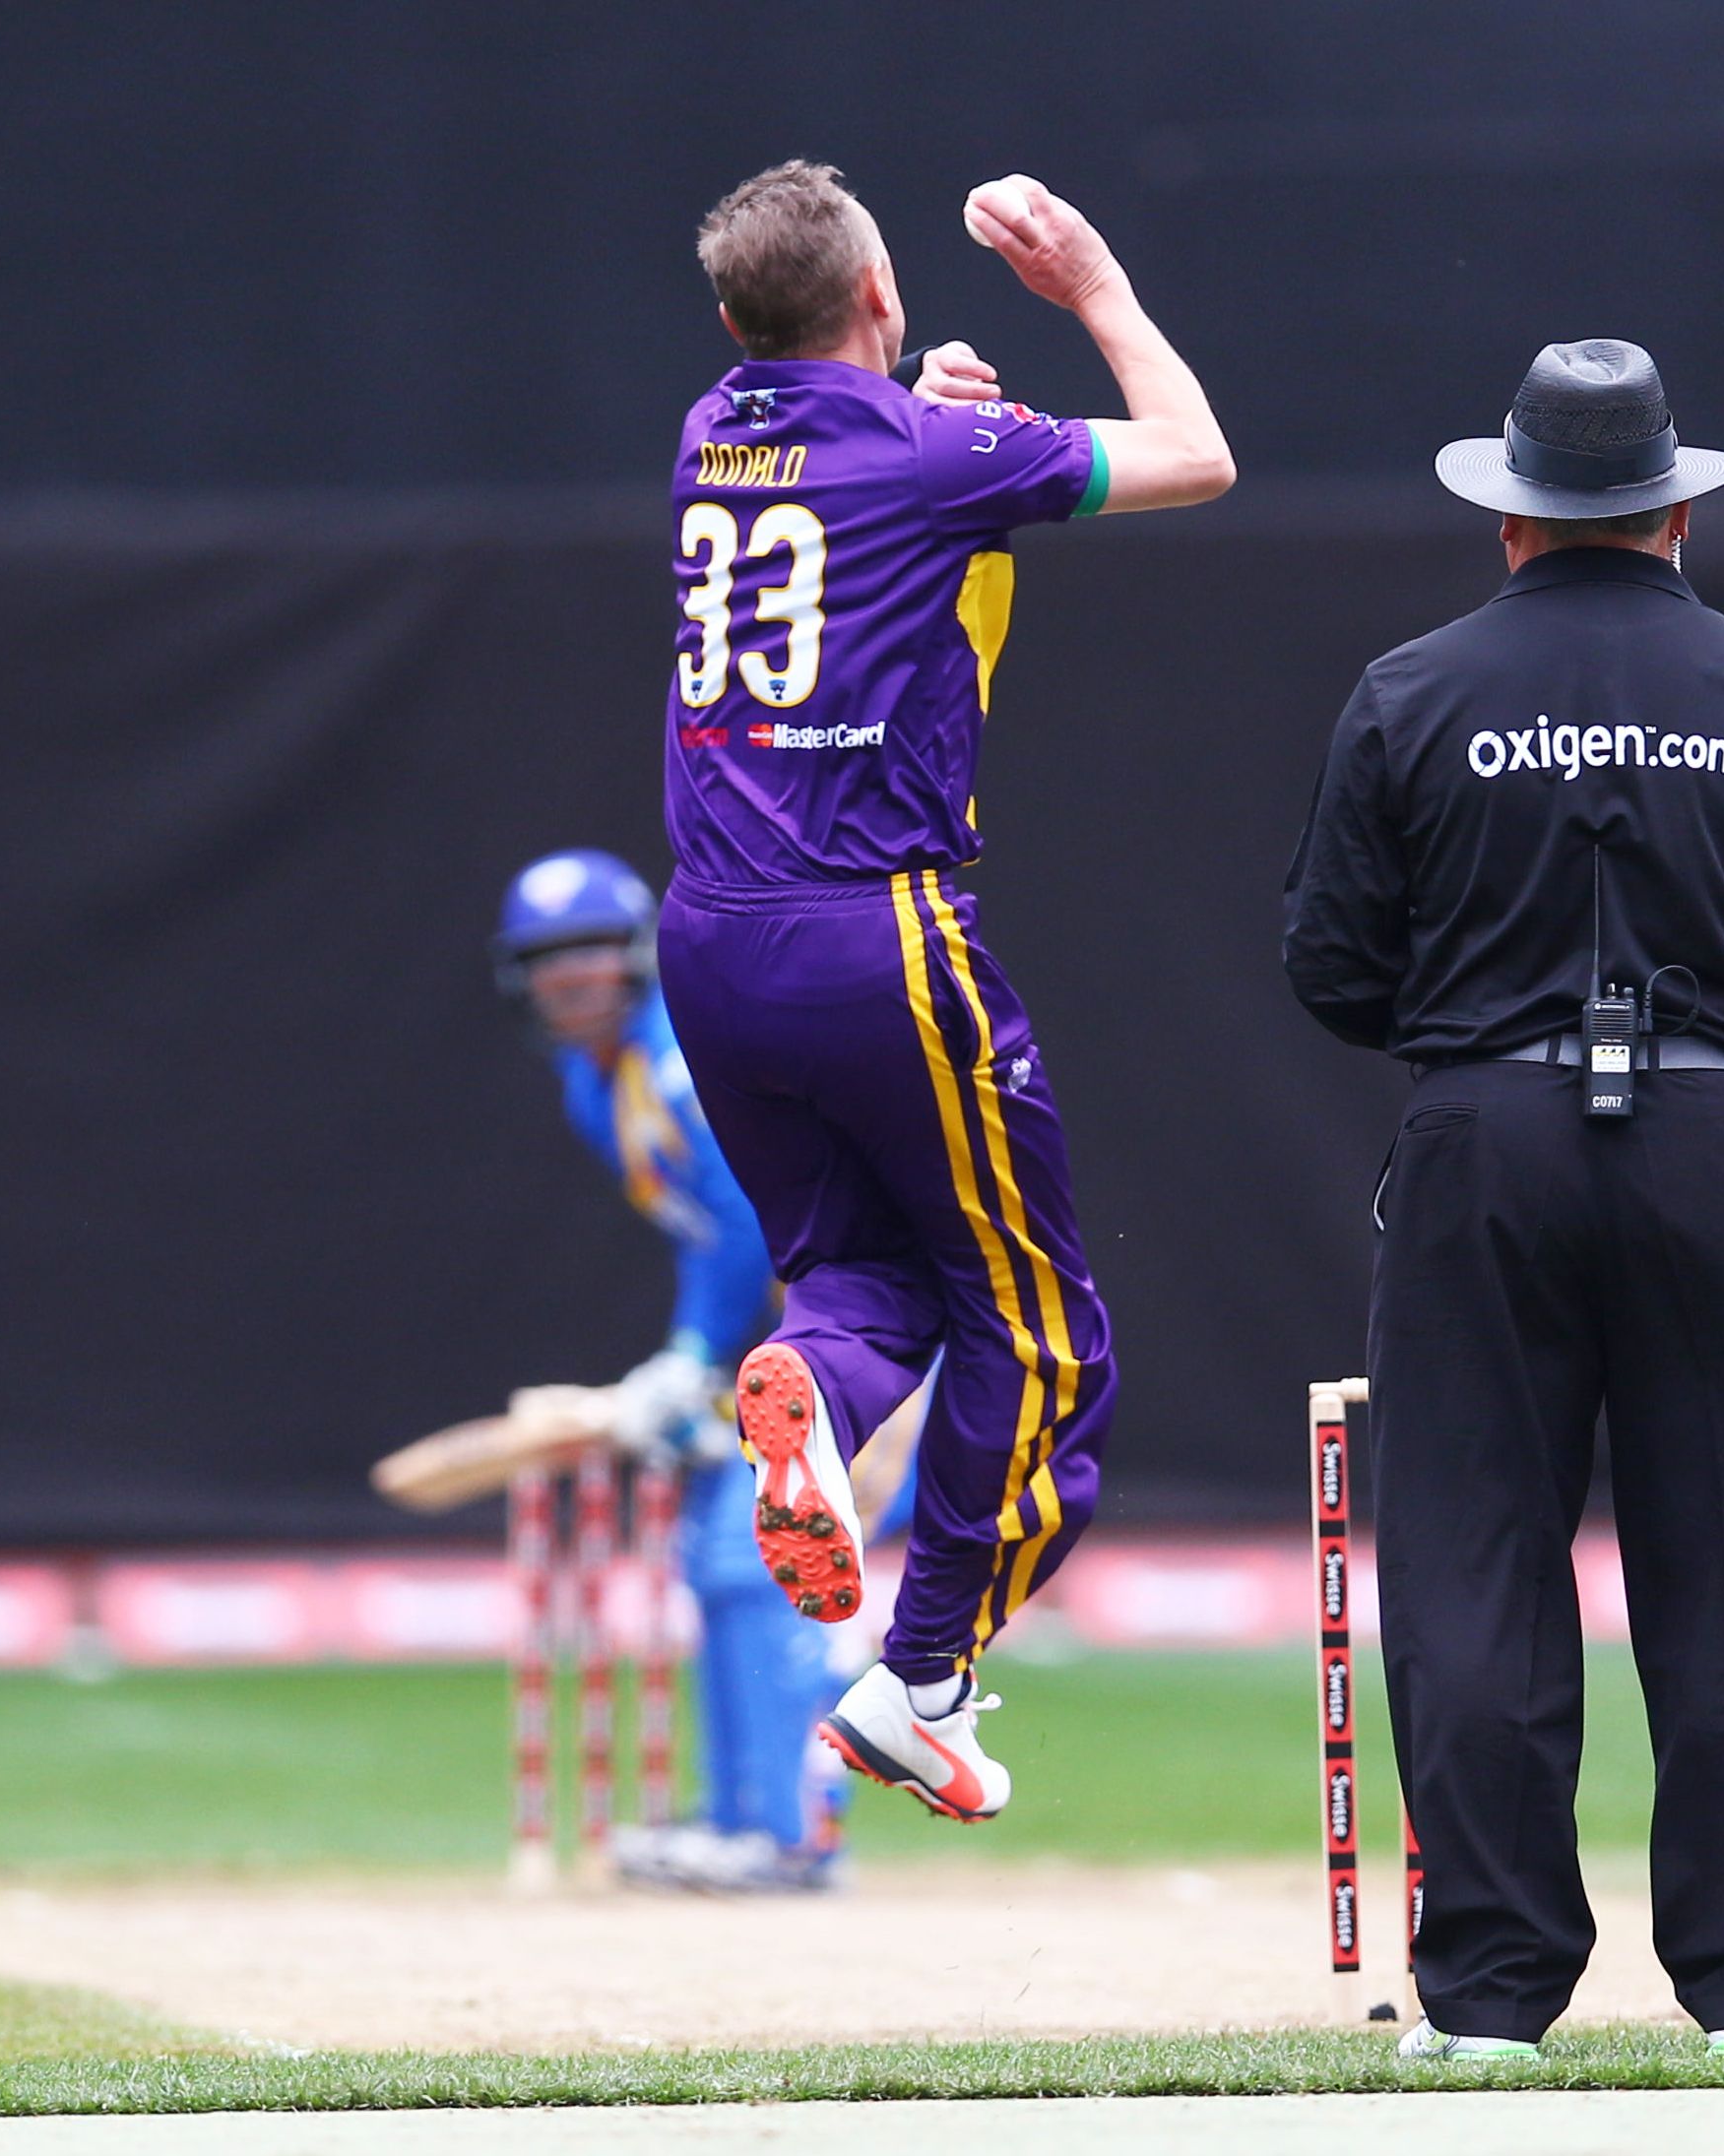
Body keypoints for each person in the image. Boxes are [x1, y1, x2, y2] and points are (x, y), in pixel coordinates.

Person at [1282, 341, 1724, 2061]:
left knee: (1474, 1557)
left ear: (1505, 520)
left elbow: (1330, 966)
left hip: (1482, 1142)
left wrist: (1487, 1049)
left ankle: (1485, 2001)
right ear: (1677, 510)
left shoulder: (1409, 690)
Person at [653, 161, 1233, 1822]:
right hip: (874, 938)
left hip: (709, 942)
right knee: (1046, 1341)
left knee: (859, 1277)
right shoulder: (921, 452)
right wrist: (1097, 291)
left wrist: (923, 414)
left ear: (728, 325)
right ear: (882, 298)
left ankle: (811, 1412)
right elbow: (1196, 458)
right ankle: (919, 1681)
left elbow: (854, 482)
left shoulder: (706, 432)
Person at [496, 848, 919, 1892]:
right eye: (549, 961)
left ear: (634, 954)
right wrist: (710, 1378)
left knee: (756, 1555)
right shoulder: (596, 1088)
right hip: (801, 1342)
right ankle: (743, 1823)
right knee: (723, 1561)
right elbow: (714, 1241)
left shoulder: (680, 1054)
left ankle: (788, 1835)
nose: (572, 978)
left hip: (889, 1327)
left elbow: (740, 1223)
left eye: (590, 953)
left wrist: (688, 1362)